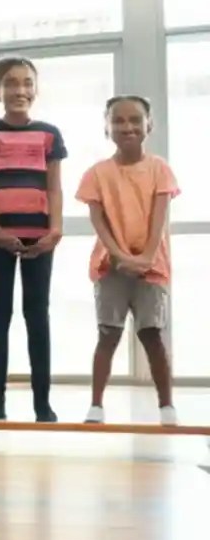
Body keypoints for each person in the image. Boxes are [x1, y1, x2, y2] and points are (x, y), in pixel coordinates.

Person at [0, 56, 64, 422]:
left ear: (35, 89)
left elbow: (54, 187)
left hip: (40, 236)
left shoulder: (49, 133)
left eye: (26, 82)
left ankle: (42, 403)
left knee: (37, 315)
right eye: (10, 83)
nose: (19, 90)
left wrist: (54, 230)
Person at [75, 95, 178, 426]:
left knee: (152, 335)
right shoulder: (97, 173)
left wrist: (147, 257)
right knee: (108, 334)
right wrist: (120, 256)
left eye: (135, 119)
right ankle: (96, 405)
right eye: (117, 121)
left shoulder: (160, 169)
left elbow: (160, 217)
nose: (127, 126)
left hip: (153, 267)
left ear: (149, 124)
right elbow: (98, 220)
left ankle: (166, 405)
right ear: (106, 127)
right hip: (111, 268)